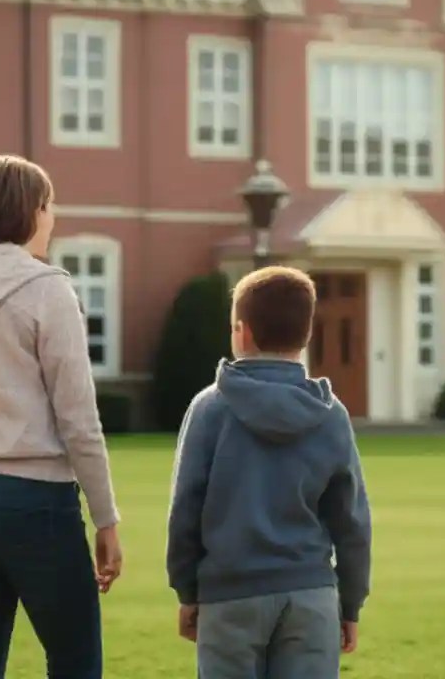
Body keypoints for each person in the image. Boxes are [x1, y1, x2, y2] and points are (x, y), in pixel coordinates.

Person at [0, 155, 123, 679]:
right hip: (34, 499)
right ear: (29, 212)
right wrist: (106, 518)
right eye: (48, 205)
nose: (53, 218)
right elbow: (79, 418)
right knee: (76, 662)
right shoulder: (48, 289)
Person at [166, 266, 373, 679]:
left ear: (241, 332)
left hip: (229, 597)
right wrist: (350, 603)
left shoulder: (210, 409)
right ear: (308, 334)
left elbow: (185, 510)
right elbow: (351, 521)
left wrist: (188, 591)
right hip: (310, 595)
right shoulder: (331, 416)